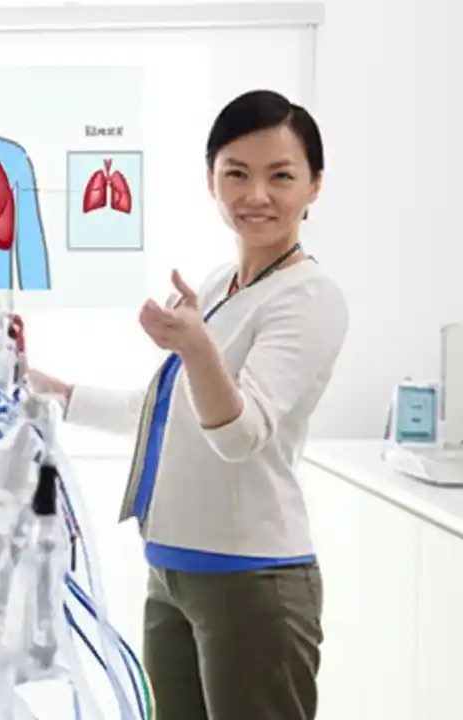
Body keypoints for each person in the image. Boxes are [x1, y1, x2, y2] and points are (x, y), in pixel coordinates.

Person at [27, 90, 347, 719]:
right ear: (211, 181)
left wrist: (198, 349)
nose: (257, 194)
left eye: (280, 175)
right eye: (237, 173)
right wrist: (55, 392)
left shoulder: (309, 297)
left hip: (253, 579)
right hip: (172, 570)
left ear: (314, 186)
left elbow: (240, 433)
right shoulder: (217, 288)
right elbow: (168, 415)